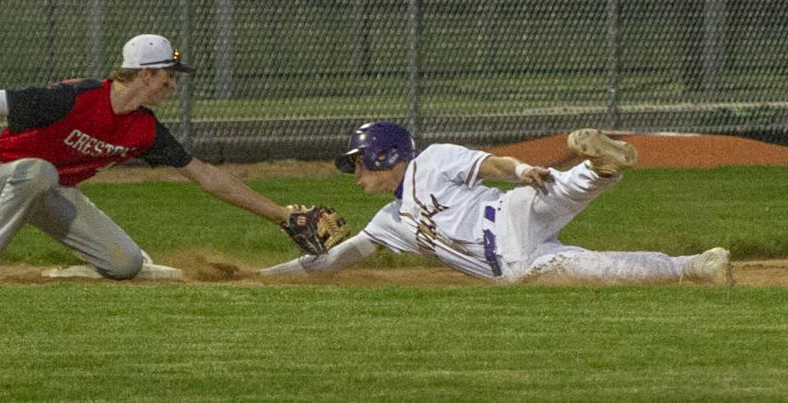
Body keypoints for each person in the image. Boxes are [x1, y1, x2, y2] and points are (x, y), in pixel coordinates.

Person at [0, 34, 296, 280]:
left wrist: (280, 214)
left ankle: (84, 269)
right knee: (39, 170)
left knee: (127, 265)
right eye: (168, 75)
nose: (173, 84)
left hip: (54, 191)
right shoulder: (77, 98)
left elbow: (206, 176)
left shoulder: (145, 129)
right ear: (146, 74)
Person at [261, 122, 734, 286]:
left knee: (551, 193)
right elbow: (332, 262)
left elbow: (491, 164)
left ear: (385, 156)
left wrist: (522, 169)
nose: (356, 174)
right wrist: (259, 278)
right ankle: (698, 265)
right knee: (594, 263)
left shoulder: (434, 159)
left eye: (359, 163)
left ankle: (599, 167)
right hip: (511, 257)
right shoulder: (389, 221)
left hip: (506, 217)